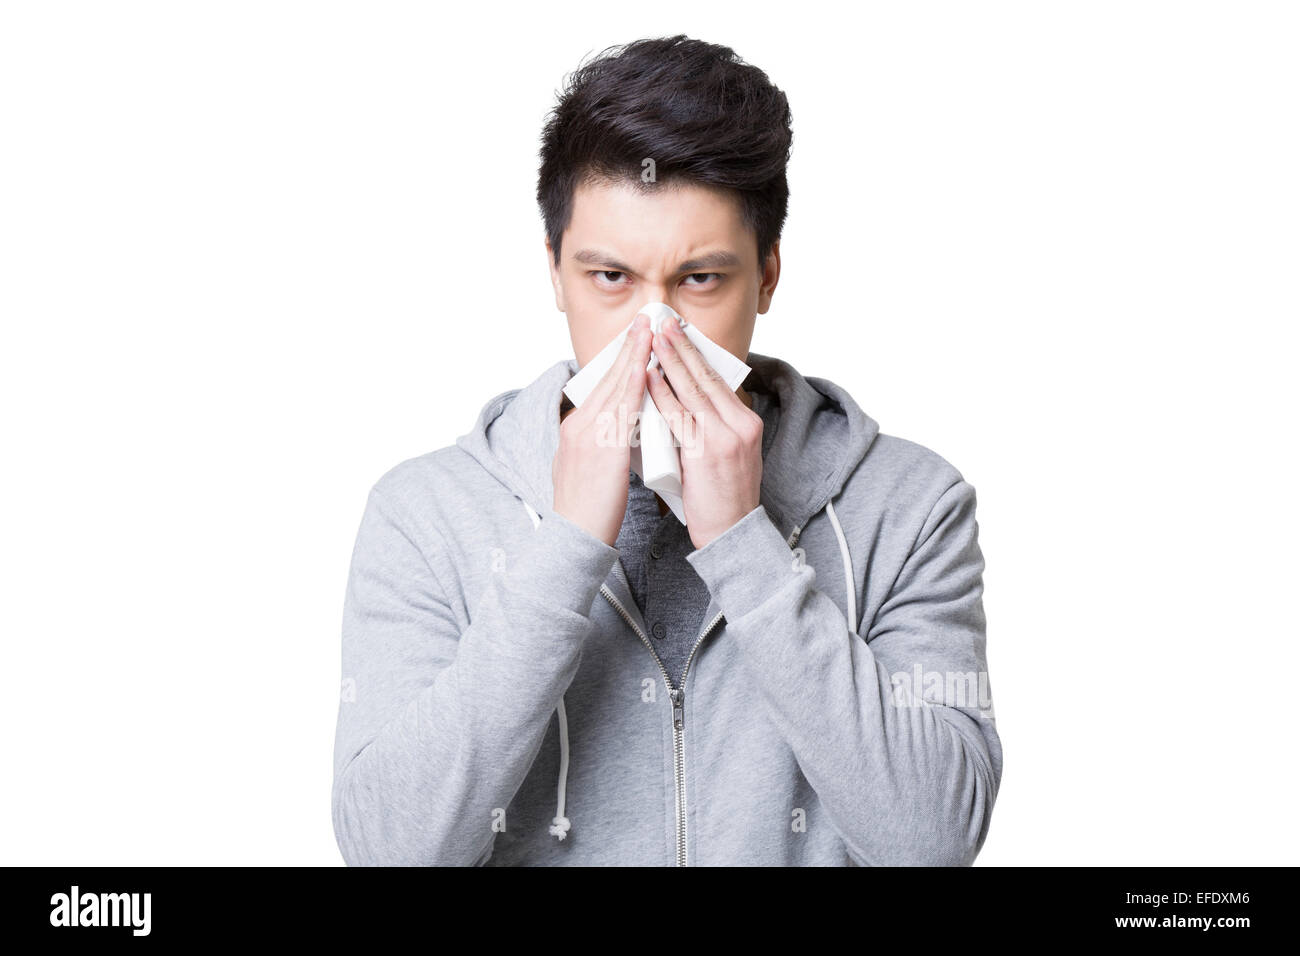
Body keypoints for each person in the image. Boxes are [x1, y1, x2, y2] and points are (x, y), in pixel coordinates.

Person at [330, 34, 1003, 866]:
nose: (654, 334)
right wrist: (566, 547)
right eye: (610, 279)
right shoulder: (425, 514)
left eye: (700, 280)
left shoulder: (908, 505)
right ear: (554, 272)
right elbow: (389, 849)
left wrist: (744, 547)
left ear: (768, 274)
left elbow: (933, 841)